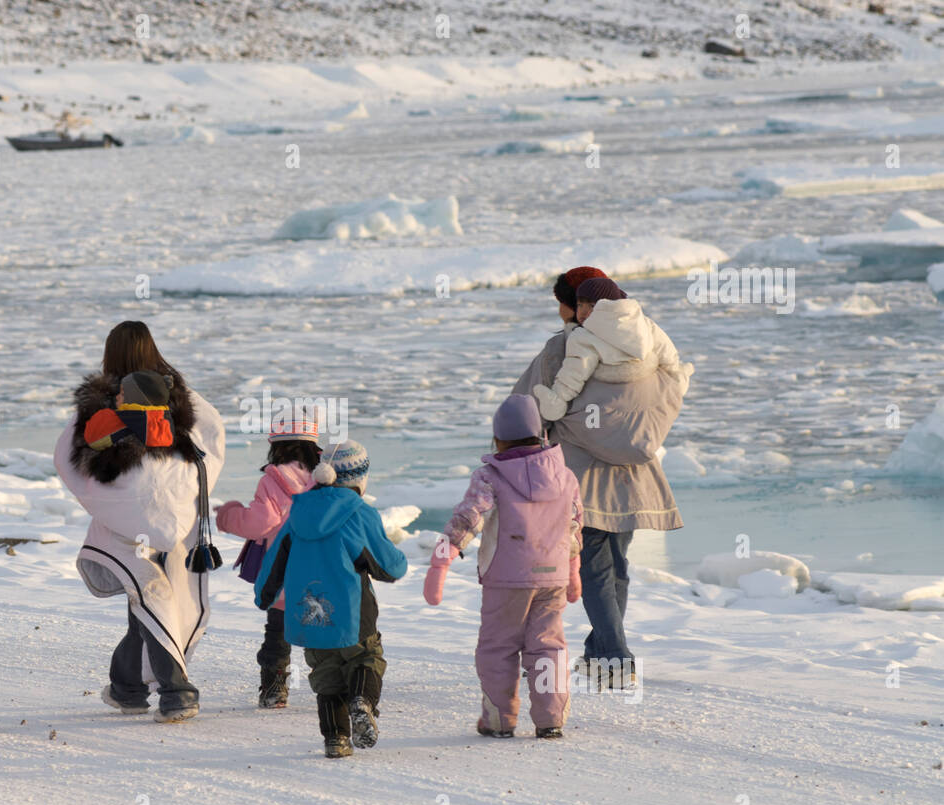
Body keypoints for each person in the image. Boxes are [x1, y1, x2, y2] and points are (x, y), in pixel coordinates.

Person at [512, 268, 686, 687]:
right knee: (616, 565)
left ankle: (616, 658)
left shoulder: (566, 345)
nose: (558, 311)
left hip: (582, 475)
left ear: (578, 306)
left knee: (593, 566)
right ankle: (600, 651)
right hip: (634, 470)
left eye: (561, 301)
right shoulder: (644, 340)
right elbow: (668, 386)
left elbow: (524, 406)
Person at [54, 321, 225, 724]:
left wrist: (110, 502)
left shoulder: (102, 401)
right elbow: (212, 443)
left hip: (123, 525)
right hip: (178, 519)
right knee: (151, 599)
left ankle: (176, 692)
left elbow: (68, 459)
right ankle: (128, 688)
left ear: (110, 354)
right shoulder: (182, 396)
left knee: (150, 597)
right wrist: (183, 494)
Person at [424, 396, 582, 739]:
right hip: (551, 577)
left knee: (498, 647)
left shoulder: (490, 476)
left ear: (499, 438)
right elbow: (572, 526)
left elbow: (468, 519)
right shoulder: (566, 476)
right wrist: (573, 569)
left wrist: (443, 556)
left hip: (507, 579)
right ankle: (550, 719)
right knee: (548, 646)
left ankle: (499, 720)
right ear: (540, 434)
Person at [253, 440, 407, 758]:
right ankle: (362, 702)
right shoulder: (360, 513)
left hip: (311, 613)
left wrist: (264, 595)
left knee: (326, 676)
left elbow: (274, 561)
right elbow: (387, 566)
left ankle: (336, 739)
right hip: (354, 612)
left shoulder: (299, 511)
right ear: (360, 479)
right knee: (366, 658)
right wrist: (399, 564)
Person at [214, 414, 319, 708]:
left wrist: (227, 515)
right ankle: (337, 688)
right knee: (325, 630)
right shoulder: (327, 478)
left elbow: (258, 523)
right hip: (324, 570)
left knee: (278, 635)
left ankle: (274, 691)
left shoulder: (273, 481)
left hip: (284, 574)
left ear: (276, 446)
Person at [531, 277, 692, 422]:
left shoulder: (583, 336)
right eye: (580, 304)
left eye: (592, 305)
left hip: (606, 405)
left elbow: (575, 370)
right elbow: (667, 353)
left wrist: (558, 399)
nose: (583, 312)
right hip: (645, 400)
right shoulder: (644, 323)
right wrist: (676, 377)